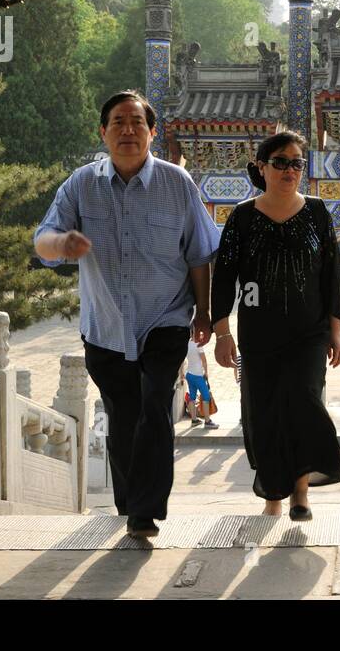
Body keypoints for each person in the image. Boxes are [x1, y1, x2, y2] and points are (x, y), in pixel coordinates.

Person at [33, 90, 218, 538]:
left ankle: (145, 511)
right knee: (122, 415)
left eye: (137, 122)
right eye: (118, 121)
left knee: (155, 407)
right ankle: (127, 503)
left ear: (153, 132)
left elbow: (199, 255)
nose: (128, 130)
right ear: (103, 131)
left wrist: (204, 313)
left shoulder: (178, 184)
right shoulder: (81, 184)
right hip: (105, 326)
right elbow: (43, 239)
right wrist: (62, 245)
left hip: (166, 319)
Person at [211, 130, 340, 521]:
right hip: (259, 335)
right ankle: (273, 492)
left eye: (297, 163)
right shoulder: (242, 217)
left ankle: (300, 491)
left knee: (305, 405)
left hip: (309, 333)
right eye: (281, 162)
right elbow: (224, 278)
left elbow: (331, 276)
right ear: (261, 167)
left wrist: (336, 330)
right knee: (265, 412)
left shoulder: (318, 213)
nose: (290, 170)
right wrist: (223, 333)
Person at [183, 338, 219, 429]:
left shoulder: (186, 343)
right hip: (198, 375)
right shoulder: (198, 344)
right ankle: (207, 421)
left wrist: (181, 374)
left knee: (192, 397)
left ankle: (194, 420)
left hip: (189, 374)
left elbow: (182, 360)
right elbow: (204, 361)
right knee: (206, 396)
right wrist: (206, 373)